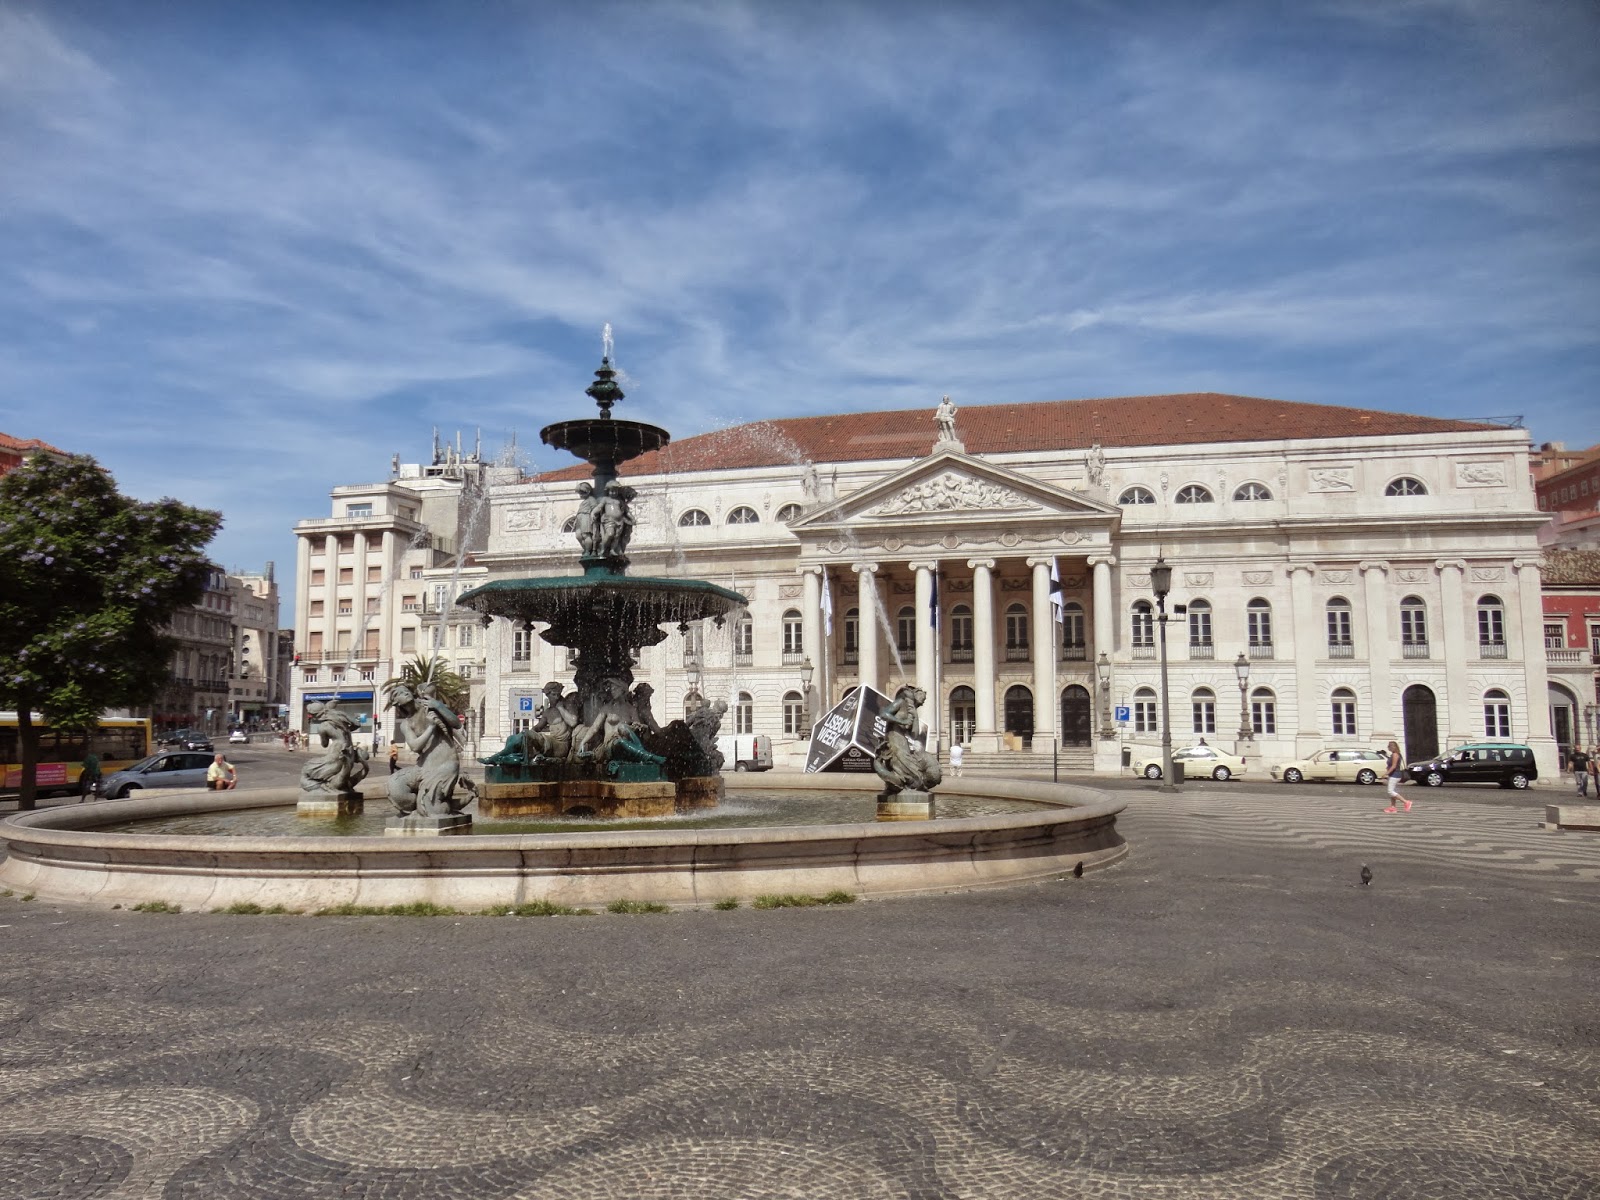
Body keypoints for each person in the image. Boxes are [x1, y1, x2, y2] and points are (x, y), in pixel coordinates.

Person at [1383, 740, 1410, 813]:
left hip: (1395, 775)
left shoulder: (1395, 754)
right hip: (1393, 775)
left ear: (1393, 747)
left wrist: (1386, 773)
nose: (1388, 748)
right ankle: (1393, 807)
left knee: (1390, 791)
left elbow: (1394, 766)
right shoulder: (1394, 754)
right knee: (1393, 791)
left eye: (1389, 746)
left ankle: (1406, 802)